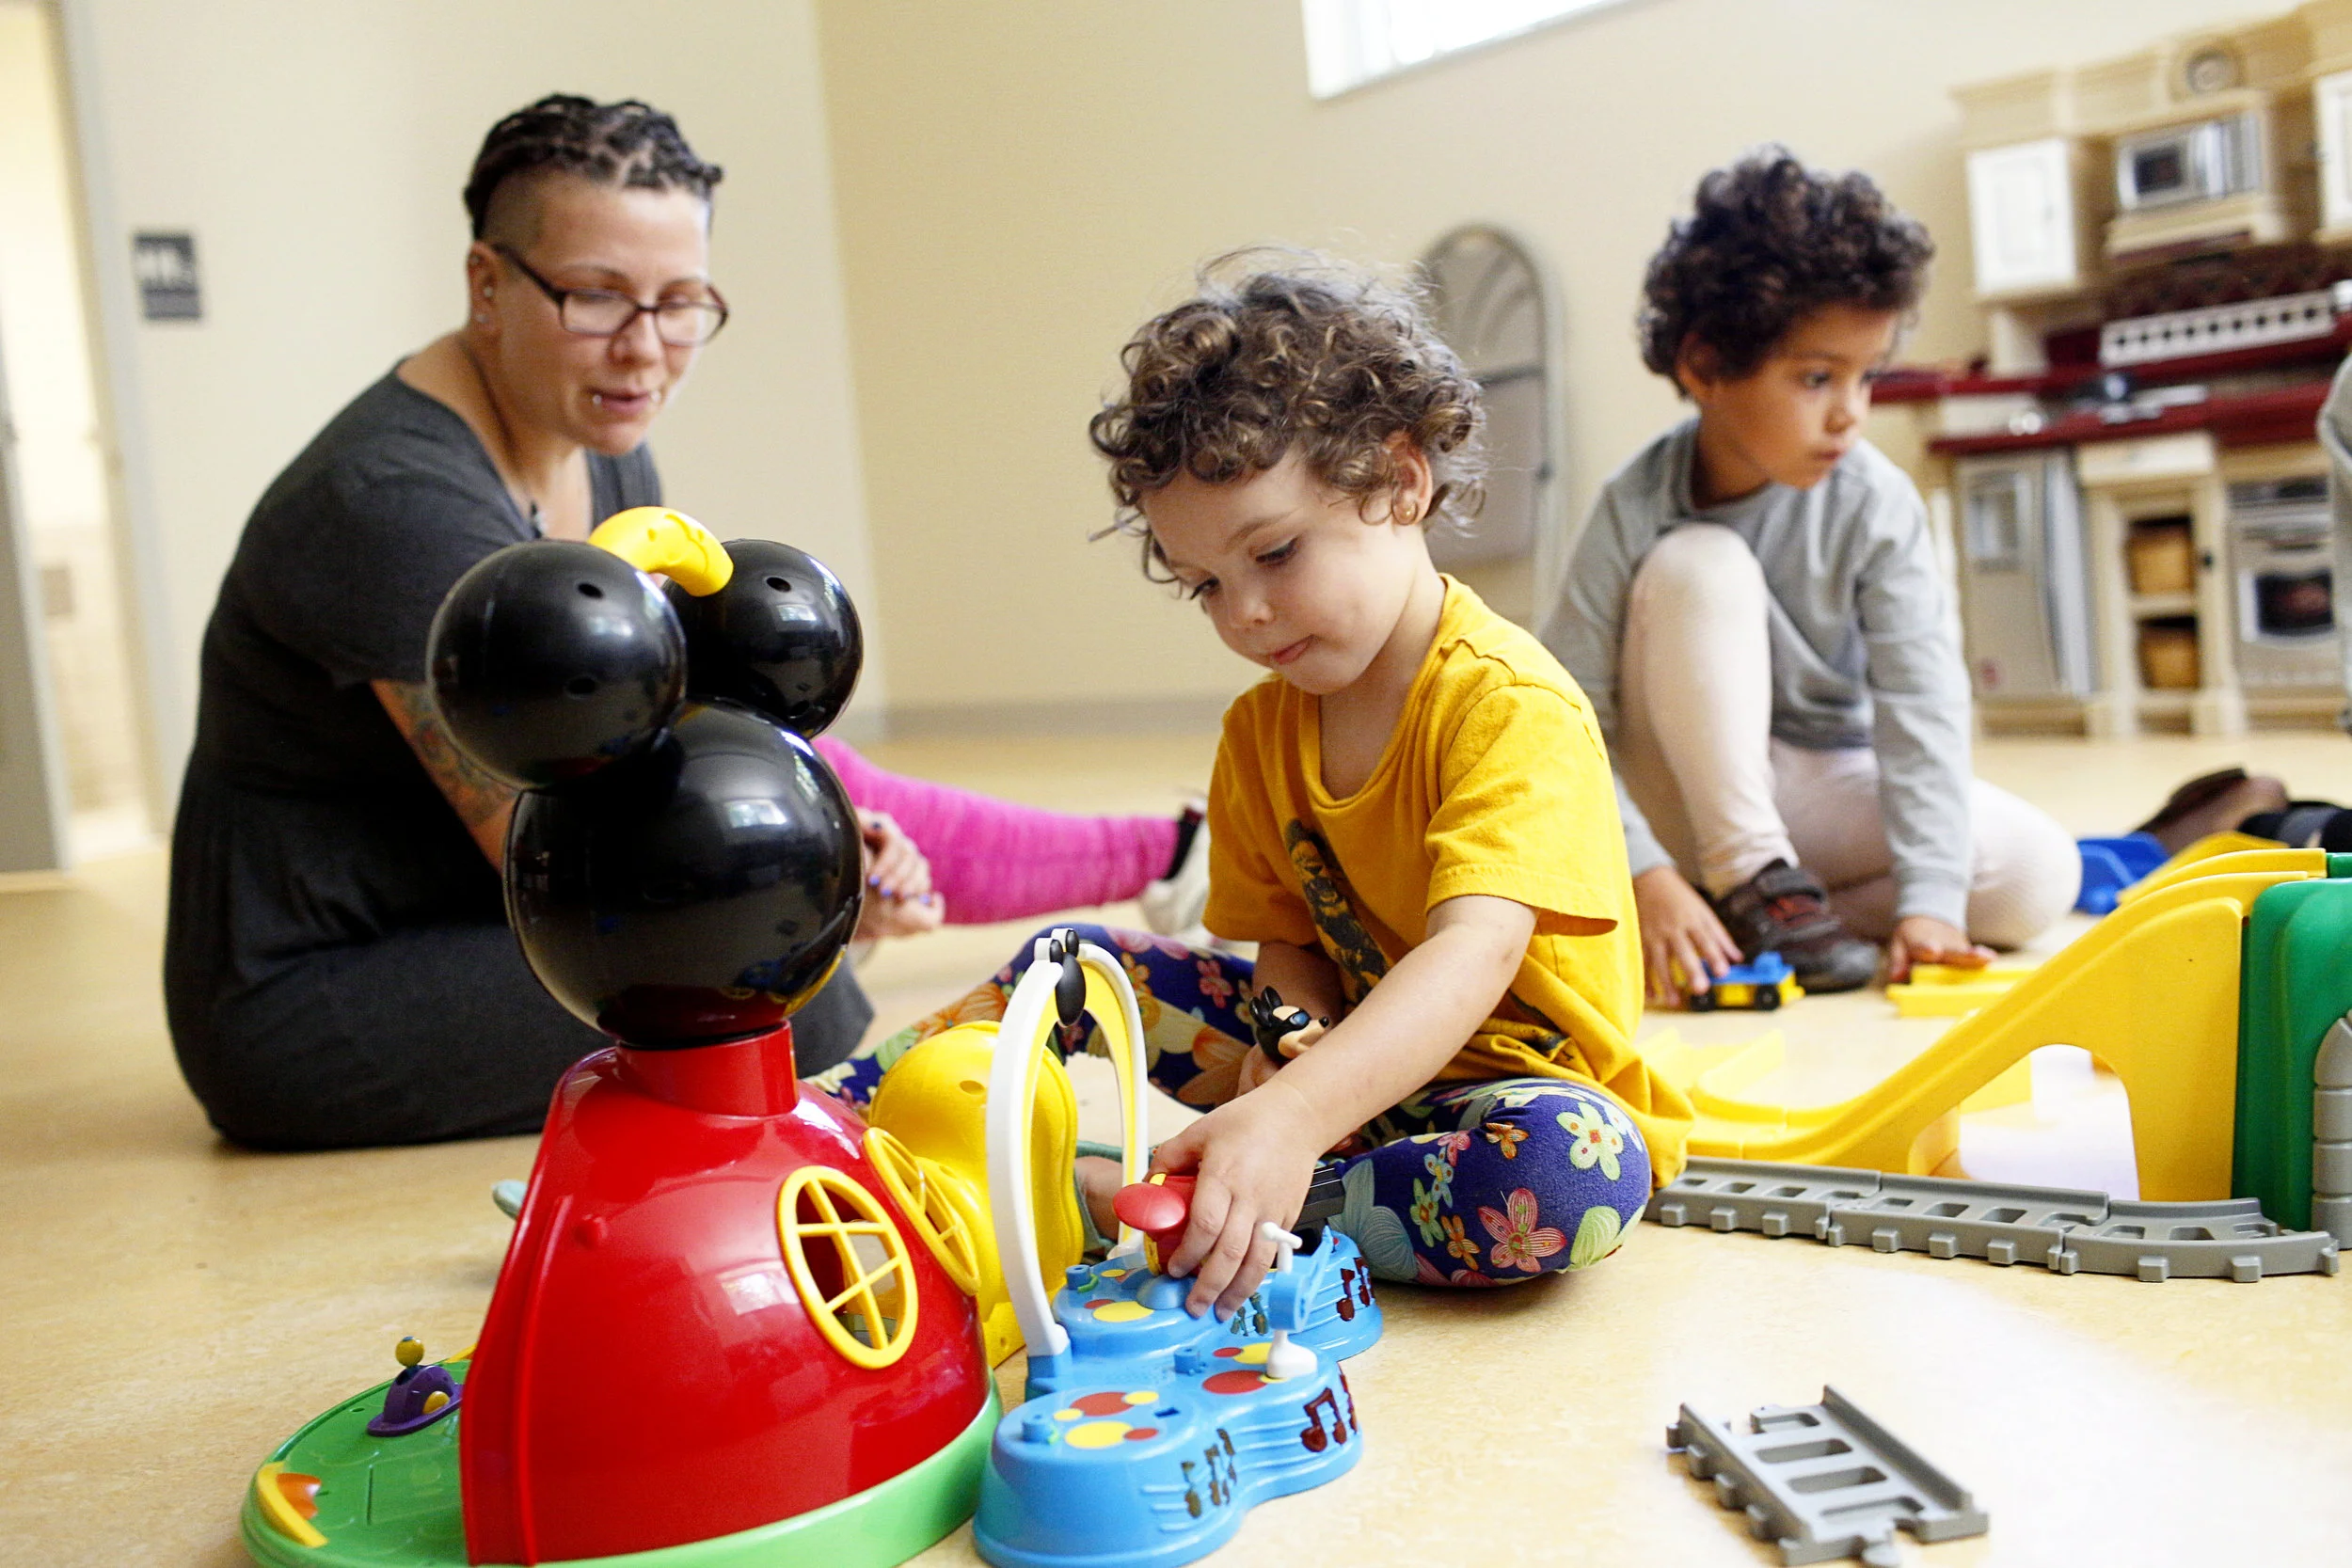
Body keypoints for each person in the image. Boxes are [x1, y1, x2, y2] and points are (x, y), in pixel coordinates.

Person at [164, 95, 1206, 1153]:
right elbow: (590, 858)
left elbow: (673, 737)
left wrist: (833, 848)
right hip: (312, 992)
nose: (646, 352)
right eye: (598, 299)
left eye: (681, 303)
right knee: (775, 982)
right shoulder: (392, 506)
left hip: (463, 896)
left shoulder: (596, 439)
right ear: (487, 282)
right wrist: (812, 896)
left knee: (803, 799)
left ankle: (1168, 849)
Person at [826, 254, 1691, 1318]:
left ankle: (1129, 1199)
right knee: (1078, 964)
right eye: (1207, 586)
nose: (1245, 614)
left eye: (1275, 553)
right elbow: (1285, 935)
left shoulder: (1510, 704)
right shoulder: (1258, 730)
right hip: (1325, 1067)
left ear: (1400, 478)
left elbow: (1476, 953)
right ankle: (830, 1128)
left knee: (1571, 1179)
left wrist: (1290, 1119)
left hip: (1500, 1088)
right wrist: (1282, 1056)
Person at [1541, 150, 2078, 1006]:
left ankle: (1768, 911)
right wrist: (1643, 872)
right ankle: (1735, 877)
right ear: (1705, 364)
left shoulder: (1876, 502)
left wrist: (1934, 904)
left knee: (2040, 874)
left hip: (1813, 787)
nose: (1850, 413)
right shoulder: (1637, 503)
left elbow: (1921, 707)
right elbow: (1563, 722)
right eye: (1817, 377)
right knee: (1701, 561)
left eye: (1868, 376)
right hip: (1681, 794)